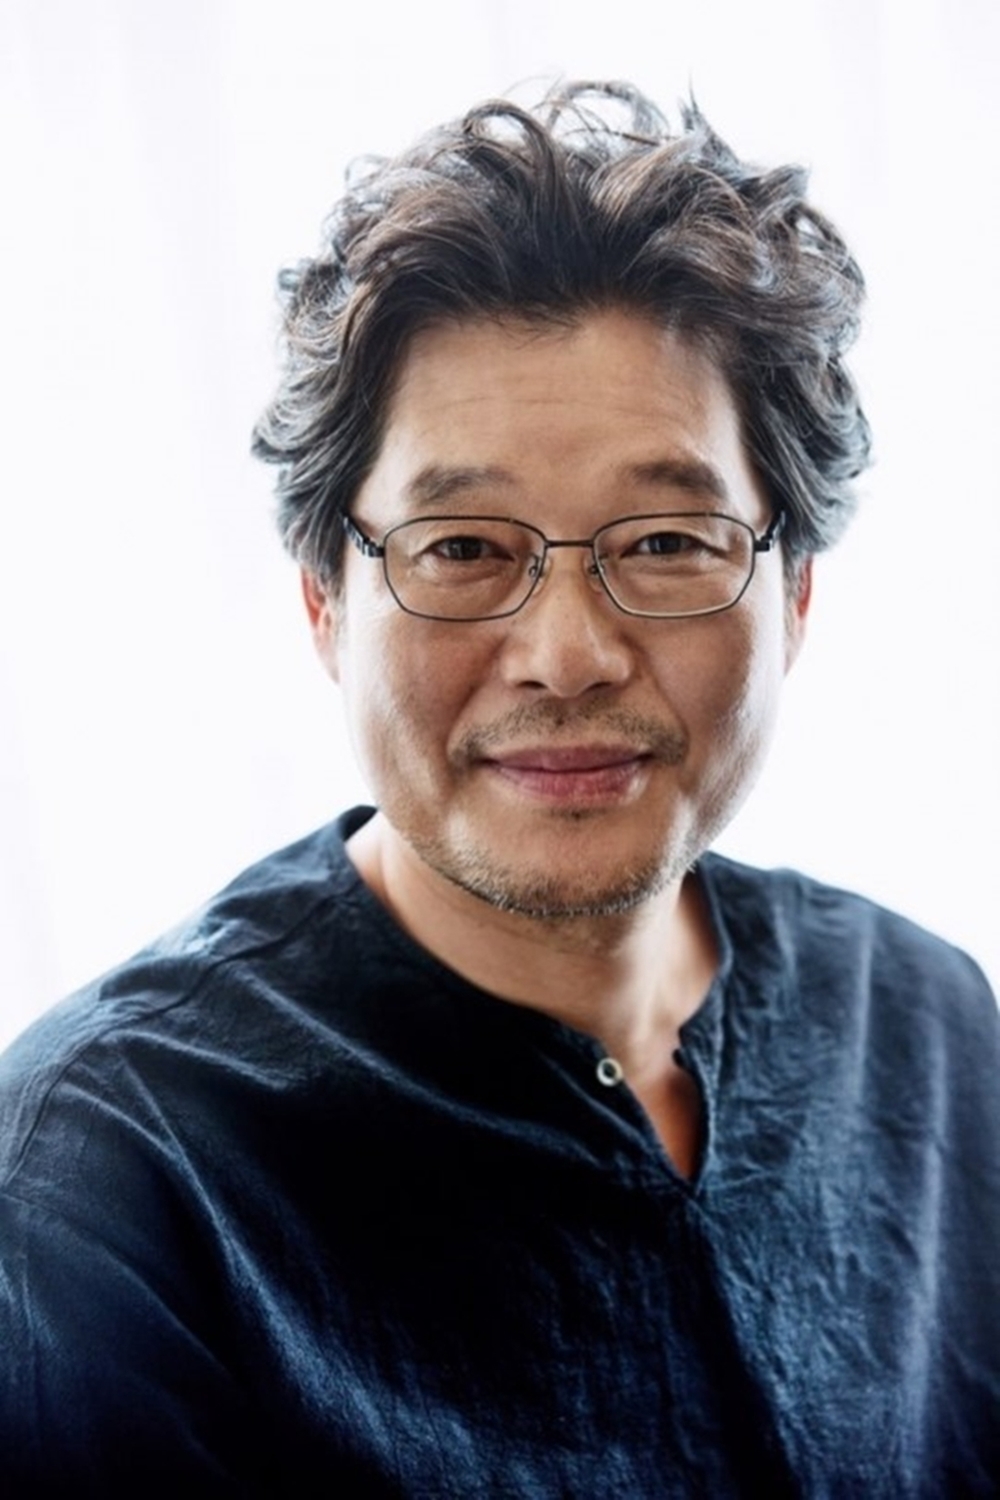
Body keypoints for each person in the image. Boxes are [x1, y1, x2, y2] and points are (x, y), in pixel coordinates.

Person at [1, 80, 997, 1496]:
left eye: (667, 541)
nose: (568, 656)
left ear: (794, 596)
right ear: (325, 604)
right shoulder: (111, 1172)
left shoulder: (930, 1025)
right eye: (463, 549)